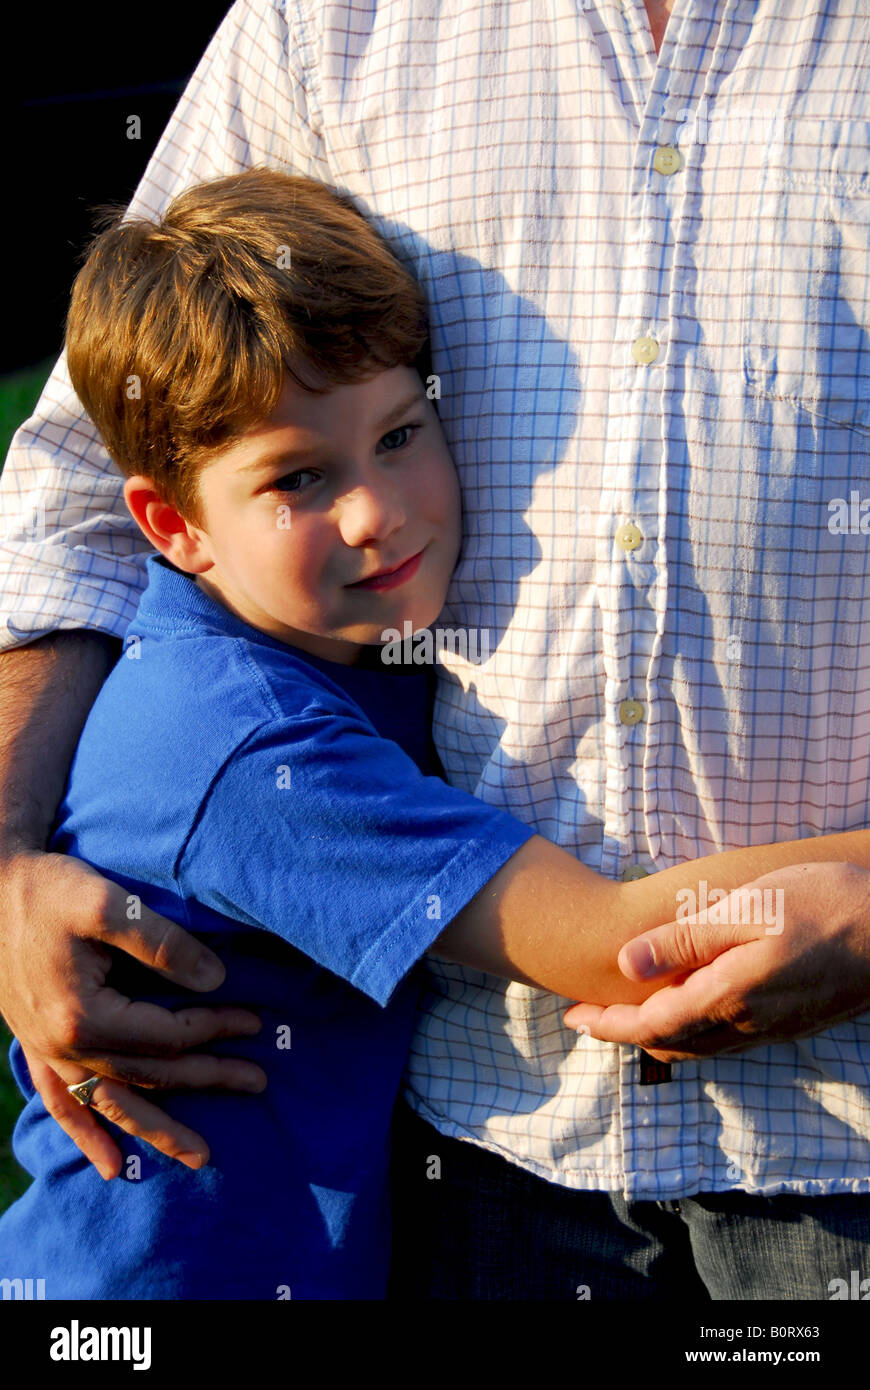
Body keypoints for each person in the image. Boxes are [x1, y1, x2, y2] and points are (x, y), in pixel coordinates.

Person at [1, 0, 870, 1300]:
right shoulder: (243, 747)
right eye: (297, 475)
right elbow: (614, 937)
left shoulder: (315, 662)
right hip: (411, 1188)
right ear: (174, 527)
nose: (376, 511)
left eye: (408, 432)